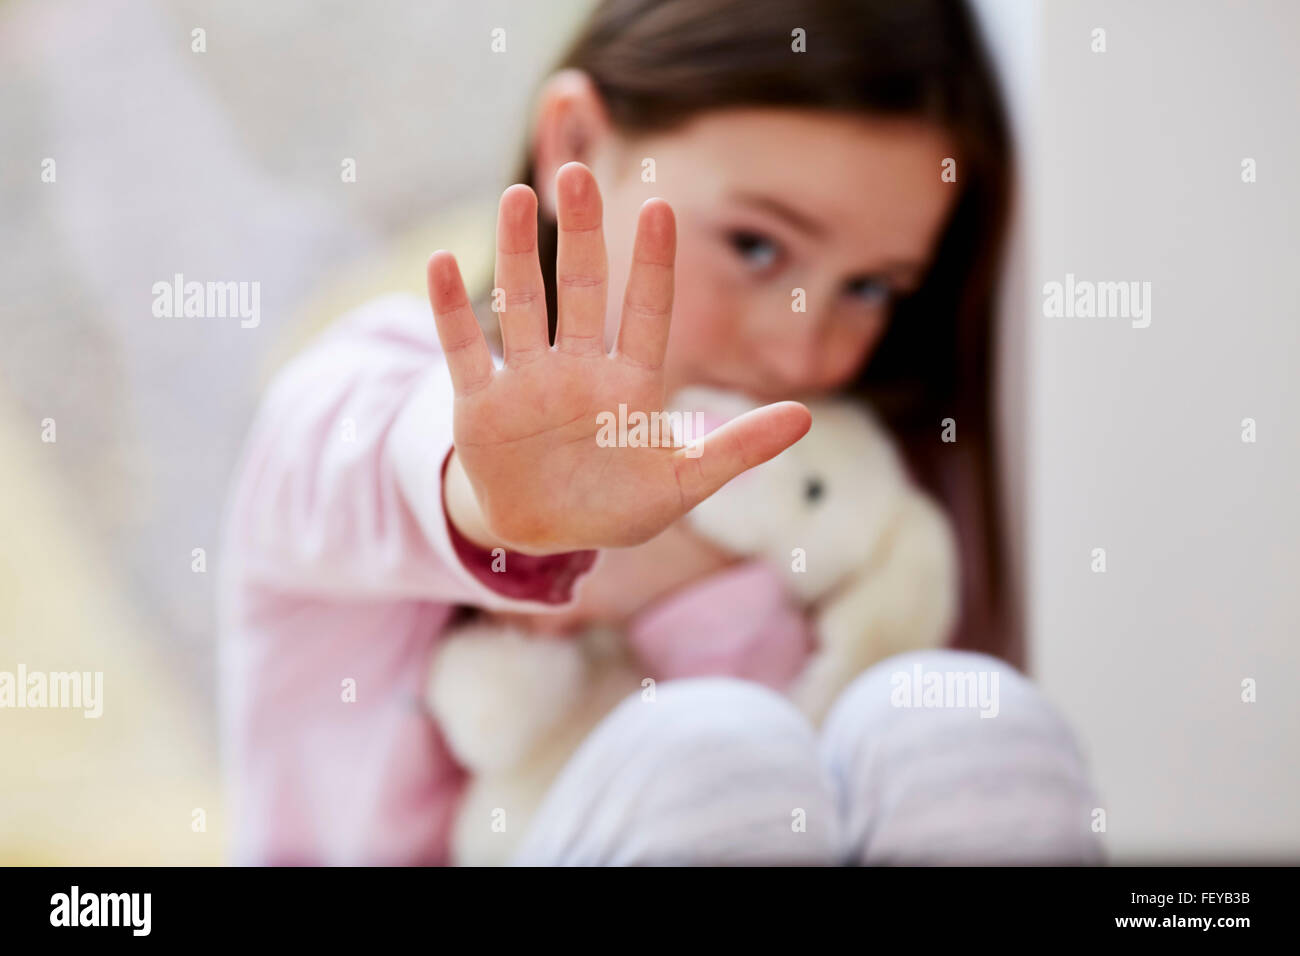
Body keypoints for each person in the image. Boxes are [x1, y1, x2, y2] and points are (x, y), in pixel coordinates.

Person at [218, 0, 1103, 865]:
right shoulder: (363, 389)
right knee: (713, 752)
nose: (801, 348)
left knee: (965, 723)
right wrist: (495, 502)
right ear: (577, 145)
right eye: (757, 246)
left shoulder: (851, 487)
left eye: (870, 289)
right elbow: (373, 455)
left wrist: (706, 583)